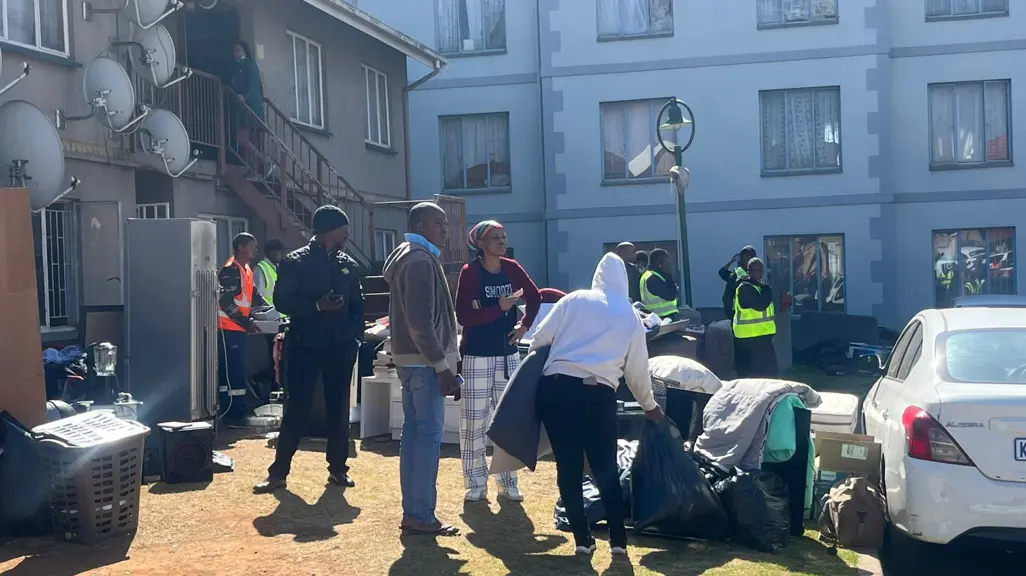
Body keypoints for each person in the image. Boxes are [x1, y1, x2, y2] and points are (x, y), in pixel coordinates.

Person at [529, 252, 665, 557]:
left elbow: (539, 339)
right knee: (604, 466)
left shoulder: (573, 300)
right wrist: (649, 407)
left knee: (568, 465)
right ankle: (618, 540)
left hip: (555, 389)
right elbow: (637, 372)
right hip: (597, 393)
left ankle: (582, 539)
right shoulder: (629, 314)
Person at [253, 206, 365, 494]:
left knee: (338, 409)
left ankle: (338, 469)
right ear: (330, 229)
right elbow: (282, 302)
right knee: (297, 408)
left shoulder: (348, 265)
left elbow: (358, 308)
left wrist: (352, 337)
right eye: (344, 228)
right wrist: (317, 306)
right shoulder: (295, 262)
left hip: (339, 348)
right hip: (305, 346)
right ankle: (278, 473)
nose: (347, 234)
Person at [382, 202, 462, 537]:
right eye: (439, 223)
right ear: (421, 224)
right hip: (425, 364)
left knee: (415, 436)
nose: (445, 229)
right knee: (426, 438)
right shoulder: (418, 260)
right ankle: (421, 514)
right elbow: (420, 321)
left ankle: (415, 511)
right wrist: (442, 366)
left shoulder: (410, 255)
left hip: (412, 362)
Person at [454, 220, 541, 503]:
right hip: (477, 356)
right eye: (495, 238)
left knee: (507, 420)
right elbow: (464, 317)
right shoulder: (470, 273)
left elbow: (535, 296)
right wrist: (498, 309)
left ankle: (508, 482)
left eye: (503, 237)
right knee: (474, 422)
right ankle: (475, 483)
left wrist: (524, 326)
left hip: (508, 356)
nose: (502, 242)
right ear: (480, 243)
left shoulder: (512, 268)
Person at [217, 233, 266, 421]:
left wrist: (269, 312)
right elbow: (225, 300)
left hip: (238, 329)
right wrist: (246, 321)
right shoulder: (230, 270)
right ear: (240, 248)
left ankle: (234, 411)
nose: (255, 249)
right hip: (228, 328)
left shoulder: (246, 269)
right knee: (232, 373)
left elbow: (254, 295)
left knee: (234, 372)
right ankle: (234, 414)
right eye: (251, 246)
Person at [231, 40, 273, 179]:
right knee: (250, 141)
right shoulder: (237, 68)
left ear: (244, 51)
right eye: (234, 50)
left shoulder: (249, 65)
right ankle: (253, 169)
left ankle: (264, 161)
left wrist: (245, 96)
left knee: (242, 138)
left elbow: (253, 86)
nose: (235, 53)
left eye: (238, 50)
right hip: (243, 108)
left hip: (250, 107)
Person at [733, 257, 778, 378]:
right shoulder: (745, 287)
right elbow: (761, 305)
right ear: (749, 271)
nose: (758, 273)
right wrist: (767, 288)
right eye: (755, 270)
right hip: (750, 337)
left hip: (761, 336)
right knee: (765, 374)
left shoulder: (756, 286)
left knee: (764, 374)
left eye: (760, 270)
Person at [639, 248, 679, 321]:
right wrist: (669, 275)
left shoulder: (647, 275)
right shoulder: (653, 278)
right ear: (660, 263)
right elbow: (671, 295)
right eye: (667, 259)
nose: (669, 262)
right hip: (662, 318)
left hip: (655, 317)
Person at [719, 245, 757, 319]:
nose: (747, 260)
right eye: (745, 257)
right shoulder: (735, 277)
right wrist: (732, 260)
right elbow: (722, 272)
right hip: (737, 317)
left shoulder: (755, 276)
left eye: (749, 258)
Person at [254, 238, 286, 306]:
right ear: (272, 253)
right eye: (280, 252)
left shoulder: (278, 267)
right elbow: (257, 296)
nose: (282, 254)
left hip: (279, 314)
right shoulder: (260, 269)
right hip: (268, 314)